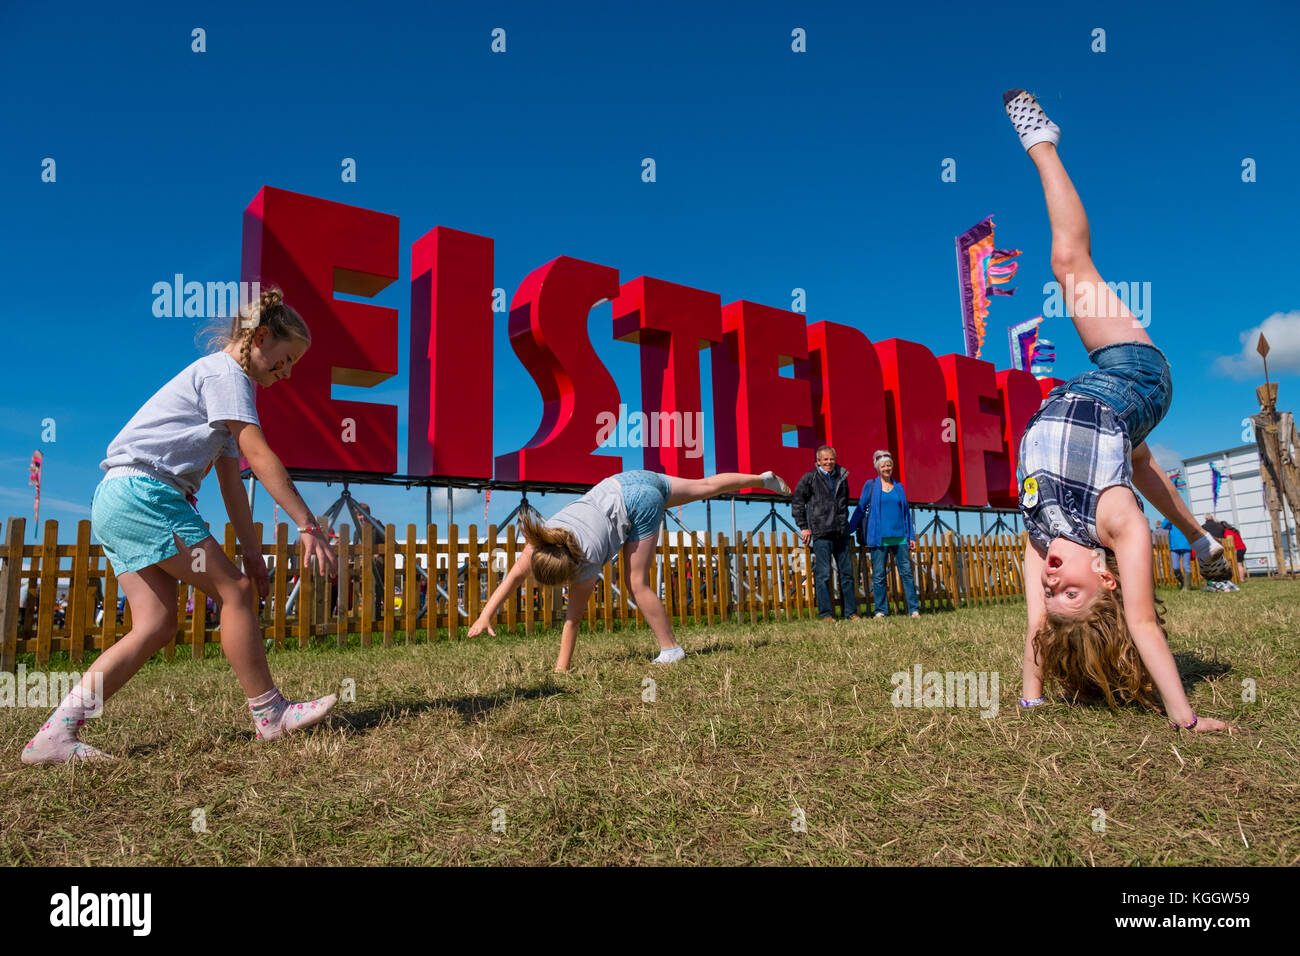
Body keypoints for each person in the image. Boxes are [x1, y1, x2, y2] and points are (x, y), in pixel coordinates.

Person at [22, 289, 340, 765]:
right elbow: (259, 453)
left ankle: (55, 736)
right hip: (145, 494)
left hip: (115, 496)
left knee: (157, 622)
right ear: (263, 337)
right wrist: (307, 523)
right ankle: (270, 714)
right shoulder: (226, 374)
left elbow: (235, 487)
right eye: (287, 358)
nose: (287, 372)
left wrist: (254, 557)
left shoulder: (220, 390)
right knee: (232, 591)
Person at [1001, 89, 1230, 732]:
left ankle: (1197, 535)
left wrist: (1032, 697)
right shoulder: (1115, 522)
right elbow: (1143, 622)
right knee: (1067, 263)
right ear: (1104, 576)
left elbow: (1035, 627)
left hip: (1096, 396)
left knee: (1135, 455)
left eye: (1052, 592)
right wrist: (1184, 717)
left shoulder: (1042, 535)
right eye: (1069, 588)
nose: (1050, 580)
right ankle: (1041, 140)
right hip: (1136, 374)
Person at [467, 469, 791, 671]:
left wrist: (561, 669)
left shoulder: (586, 563)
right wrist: (485, 615)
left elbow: (573, 621)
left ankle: (671, 650)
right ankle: (760, 479)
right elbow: (512, 577)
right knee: (704, 485)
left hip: (638, 505)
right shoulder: (542, 541)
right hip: (625, 481)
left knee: (637, 584)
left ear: (569, 570)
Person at [848, 450, 920, 618]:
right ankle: (881, 610)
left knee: (907, 574)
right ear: (878, 468)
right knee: (879, 576)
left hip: (900, 537)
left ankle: (914, 609)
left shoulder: (899, 487)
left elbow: (906, 513)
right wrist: (849, 529)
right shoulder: (871, 485)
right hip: (879, 538)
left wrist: (911, 536)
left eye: (889, 465)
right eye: (883, 466)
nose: (887, 468)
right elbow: (860, 509)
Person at [790, 446, 859, 621]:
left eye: (831, 459)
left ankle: (850, 612)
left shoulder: (842, 477)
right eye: (825, 460)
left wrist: (845, 522)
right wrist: (804, 526)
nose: (829, 462)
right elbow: (797, 501)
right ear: (818, 461)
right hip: (821, 533)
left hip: (841, 533)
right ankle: (826, 614)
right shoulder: (810, 478)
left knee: (847, 575)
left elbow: (844, 503)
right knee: (823, 575)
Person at [1160, 518, 1194, 591]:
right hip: (1174, 546)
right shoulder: (1170, 520)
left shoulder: (1184, 519)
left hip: (1186, 545)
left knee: (1186, 566)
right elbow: (1163, 526)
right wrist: (1169, 517)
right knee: (1175, 567)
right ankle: (1183, 583)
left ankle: (1187, 587)